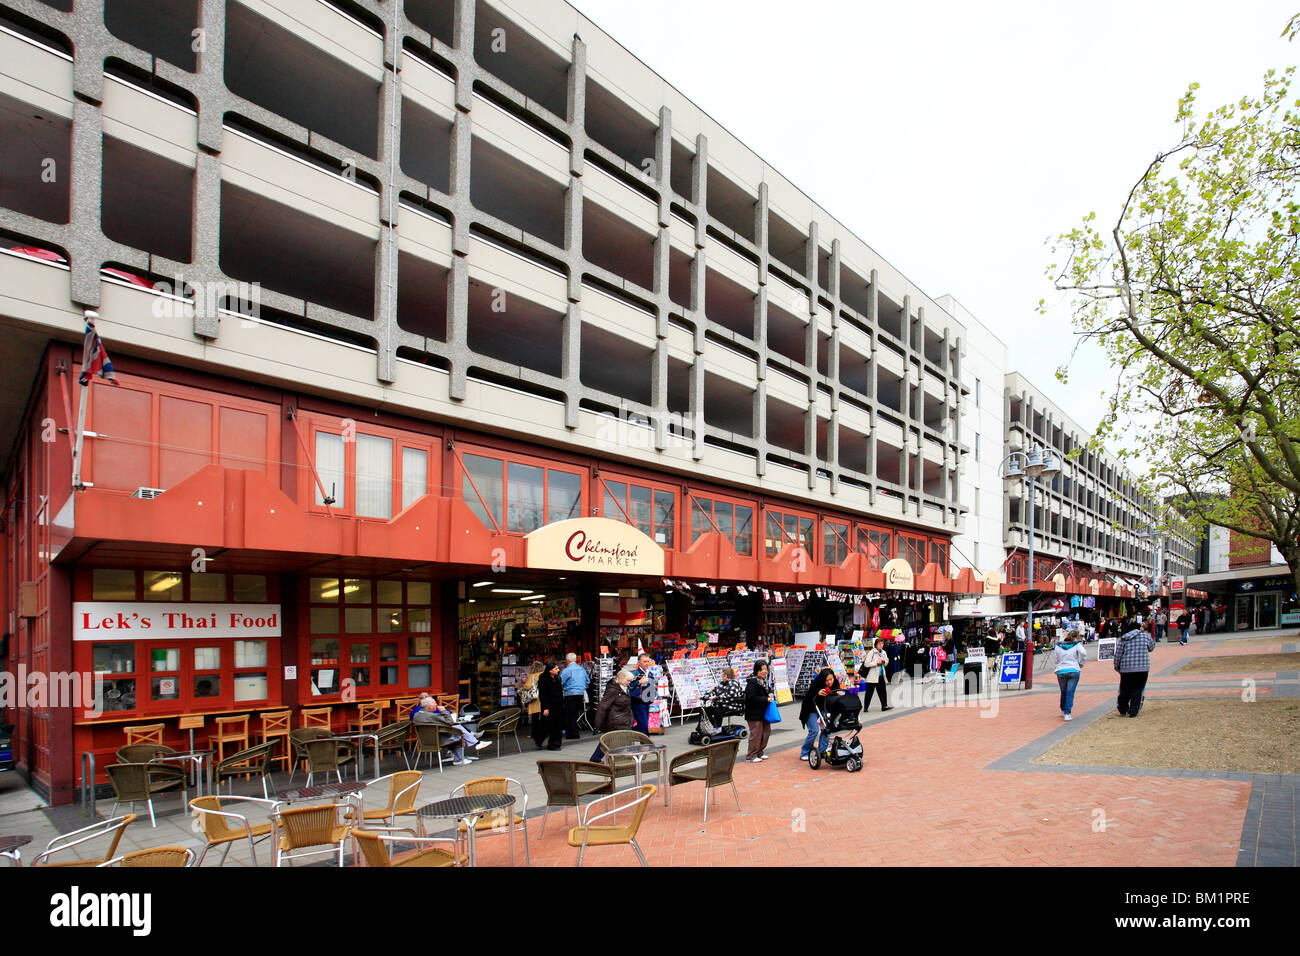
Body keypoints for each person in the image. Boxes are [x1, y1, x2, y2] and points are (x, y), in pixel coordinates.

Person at [413, 699, 490, 765]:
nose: (436, 705)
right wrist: (444, 711)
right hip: (439, 740)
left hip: (425, 741)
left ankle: (470, 746)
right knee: (459, 731)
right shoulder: (432, 716)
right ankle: (473, 745)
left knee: (457, 730)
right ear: (429, 706)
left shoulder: (417, 715)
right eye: (434, 703)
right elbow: (450, 721)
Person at [590, 668, 635, 762]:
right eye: (628, 680)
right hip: (616, 721)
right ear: (622, 679)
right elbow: (602, 707)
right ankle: (596, 758)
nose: (629, 682)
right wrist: (598, 723)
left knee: (614, 740)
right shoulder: (613, 690)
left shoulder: (622, 688)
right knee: (610, 740)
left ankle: (625, 757)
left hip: (621, 719)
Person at [799, 668, 843, 761]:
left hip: (824, 709)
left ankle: (822, 750)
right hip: (811, 709)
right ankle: (805, 751)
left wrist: (839, 694)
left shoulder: (835, 684)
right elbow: (808, 698)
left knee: (826, 728)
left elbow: (834, 699)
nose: (829, 682)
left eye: (831, 679)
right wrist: (817, 693)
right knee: (814, 730)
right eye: (826, 680)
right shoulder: (816, 684)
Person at [1114, 618, 1155, 717]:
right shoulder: (1145, 636)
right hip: (1142, 667)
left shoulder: (1124, 638)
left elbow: (1118, 654)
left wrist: (1117, 666)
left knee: (1125, 689)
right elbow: (1151, 647)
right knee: (1138, 689)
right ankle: (1133, 710)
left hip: (1126, 668)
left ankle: (1122, 708)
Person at [1051, 627, 1087, 721]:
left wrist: (1060, 662)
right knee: (1070, 691)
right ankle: (1067, 712)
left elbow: (1055, 660)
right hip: (1073, 669)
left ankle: (1063, 709)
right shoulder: (1076, 645)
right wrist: (1081, 663)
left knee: (1063, 691)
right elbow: (1083, 653)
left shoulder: (1058, 646)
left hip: (1061, 670)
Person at [743, 660, 773, 762]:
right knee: (756, 734)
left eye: (765, 669)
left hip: (764, 712)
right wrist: (765, 699)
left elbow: (768, 690)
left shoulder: (764, 681)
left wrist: (770, 694)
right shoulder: (752, 682)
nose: (764, 672)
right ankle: (751, 755)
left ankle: (760, 752)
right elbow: (751, 698)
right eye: (762, 670)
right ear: (757, 670)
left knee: (766, 732)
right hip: (754, 713)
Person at [533, 661, 566, 751]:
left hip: (558, 705)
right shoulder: (543, 679)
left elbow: (560, 692)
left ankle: (554, 744)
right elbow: (543, 695)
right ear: (550, 670)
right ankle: (539, 739)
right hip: (549, 705)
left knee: (557, 725)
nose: (558, 670)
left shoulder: (558, 678)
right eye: (556, 669)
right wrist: (546, 708)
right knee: (547, 724)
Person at [560, 652, 589, 740]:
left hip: (570, 693)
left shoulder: (566, 670)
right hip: (580, 693)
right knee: (575, 713)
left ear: (567, 660)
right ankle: (574, 731)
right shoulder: (582, 669)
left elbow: (561, 681)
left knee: (570, 714)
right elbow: (587, 681)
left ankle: (572, 733)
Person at [629, 653, 660, 735]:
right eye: (644, 661)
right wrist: (639, 682)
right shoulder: (634, 673)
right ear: (639, 662)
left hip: (646, 701)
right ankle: (646, 744)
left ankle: (628, 732)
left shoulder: (649, 673)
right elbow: (628, 686)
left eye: (648, 661)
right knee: (644, 726)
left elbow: (652, 685)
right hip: (637, 702)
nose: (646, 663)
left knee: (643, 725)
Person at [859, 637, 892, 712]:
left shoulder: (883, 652)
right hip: (872, 677)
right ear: (876, 645)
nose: (881, 645)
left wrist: (884, 661)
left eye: (882, 644)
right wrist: (876, 663)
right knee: (869, 693)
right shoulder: (872, 652)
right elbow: (866, 664)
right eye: (879, 644)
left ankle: (884, 706)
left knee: (883, 691)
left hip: (880, 675)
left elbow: (886, 662)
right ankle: (866, 707)